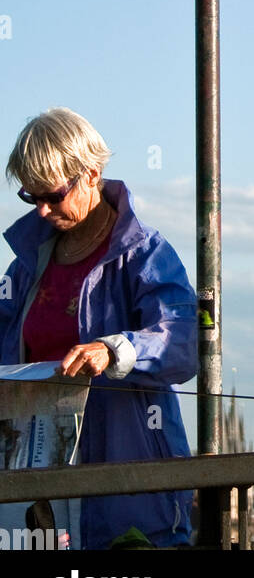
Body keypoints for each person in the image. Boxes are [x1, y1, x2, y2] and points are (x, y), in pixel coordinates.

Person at [2, 107, 197, 549]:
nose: (43, 210)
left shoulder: (145, 254)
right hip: (39, 480)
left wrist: (116, 350)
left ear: (91, 174)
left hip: (128, 480)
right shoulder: (28, 265)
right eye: (31, 197)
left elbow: (181, 341)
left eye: (52, 195)